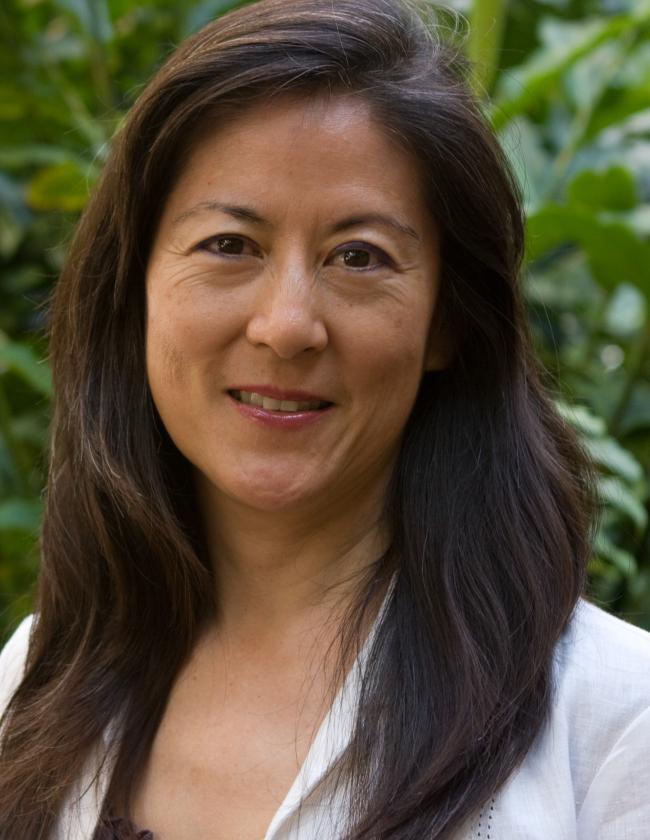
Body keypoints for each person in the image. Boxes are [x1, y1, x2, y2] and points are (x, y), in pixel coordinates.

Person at [1, 0, 649, 837]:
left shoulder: (614, 722)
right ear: (135, 294)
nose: (286, 327)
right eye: (229, 244)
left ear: (448, 322)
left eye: (358, 257)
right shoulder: (29, 689)